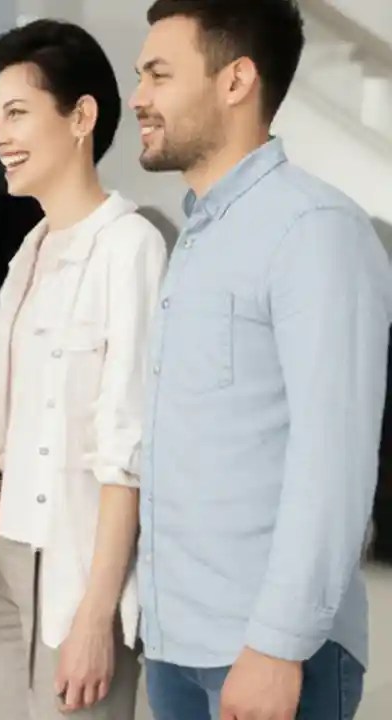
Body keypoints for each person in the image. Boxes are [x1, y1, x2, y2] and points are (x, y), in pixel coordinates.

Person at [130, 1, 392, 718]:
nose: (140, 96)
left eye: (159, 74)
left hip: (268, 650)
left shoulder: (314, 230)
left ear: (236, 80)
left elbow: (333, 463)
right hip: (178, 640)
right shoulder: (201, 235)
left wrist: (277, 646)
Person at [0, 19, 167, 719]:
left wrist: (97, 615)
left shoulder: (131, 247)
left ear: (81, 117)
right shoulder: (28, 254)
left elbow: (127, 451)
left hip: (76, 570)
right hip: (3, 559)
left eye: (17, 113)